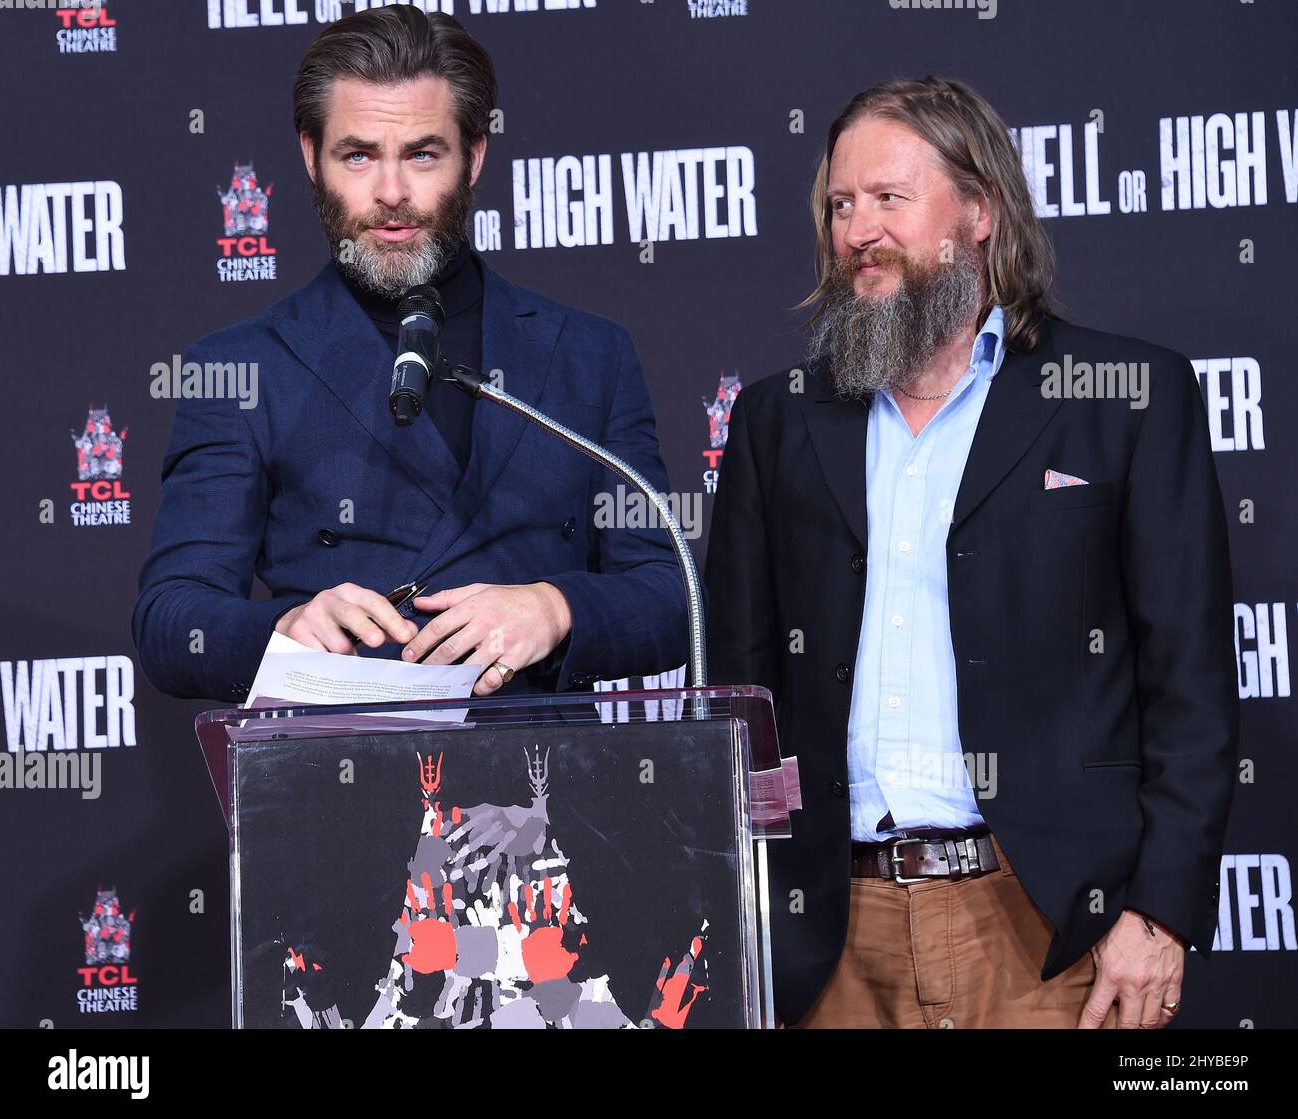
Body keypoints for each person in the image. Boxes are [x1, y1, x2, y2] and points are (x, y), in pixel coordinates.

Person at [705, 76, 1238, 1029]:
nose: (858, 228)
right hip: (832, 938)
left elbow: (1189, 684)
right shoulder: (775, 421)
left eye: (889, 200)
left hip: (1049, 927)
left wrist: (1158, 913)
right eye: (840, 203)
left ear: (980, 211)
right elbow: (744, 692)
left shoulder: (1121, 398)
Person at [134, 7, 685, 704]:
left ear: (474, 156)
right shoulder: (245, 369)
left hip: (549, 785)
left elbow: (671, 594)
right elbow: (169, 621)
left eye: (423, 153)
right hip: (340, 781)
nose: (391, 193)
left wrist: (557, 607)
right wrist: (286, 627)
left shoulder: (588, 355)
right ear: (311, 156)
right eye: (358, 154)